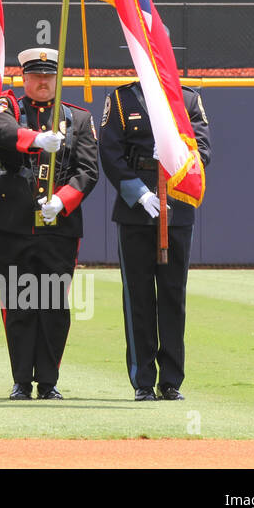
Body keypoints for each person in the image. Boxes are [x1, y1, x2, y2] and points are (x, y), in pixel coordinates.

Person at [0, 47, 98, 400]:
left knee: (53, 303)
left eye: (49, 76)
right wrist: (34, 139)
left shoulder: (77, 118)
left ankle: (48, 380)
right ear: (24, 78)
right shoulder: (10, 108)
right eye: (36, 76)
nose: (43, 82)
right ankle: (21, 379)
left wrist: (62, 201)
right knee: (17, 301)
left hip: (58, 223)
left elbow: (88, 171)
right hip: (14, 216)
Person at [99, 79, 211, 401]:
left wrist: (175, 156)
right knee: (138, 296)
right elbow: (110, 152)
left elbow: (203, 151)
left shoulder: (188, 100)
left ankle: (172, 380)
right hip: (136, 209)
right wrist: (138, 192)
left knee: (173, 296)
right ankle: (143, 381)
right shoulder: (120, 100)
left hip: (176, 205)